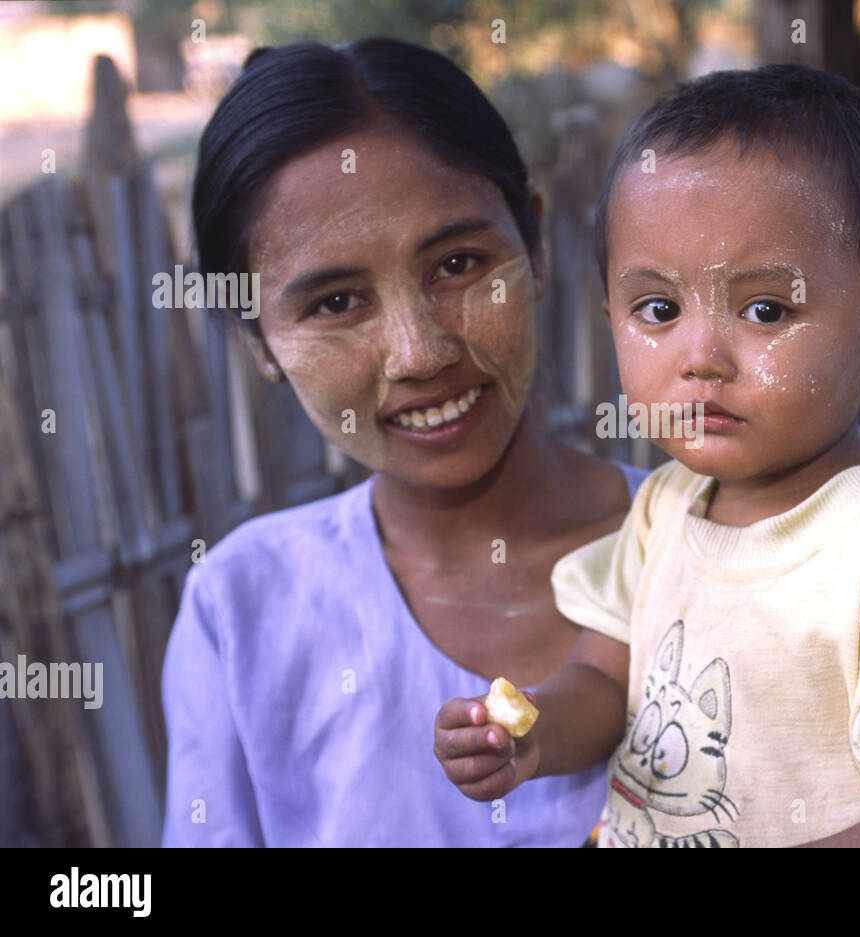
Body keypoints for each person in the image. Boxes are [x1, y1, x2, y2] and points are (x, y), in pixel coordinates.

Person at [434, 65, 860, 847]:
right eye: (659, 309)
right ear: (611, 317)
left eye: (766, 309)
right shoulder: (665, 509)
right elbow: (606, 677)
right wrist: (535, 738)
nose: (701, 355)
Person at [161, 38, 644, 847]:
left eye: (458, 263)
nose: (420, 352)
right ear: (259, 346)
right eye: (337, 301)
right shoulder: (241, 612)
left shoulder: (722, 551)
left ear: (537, 245)